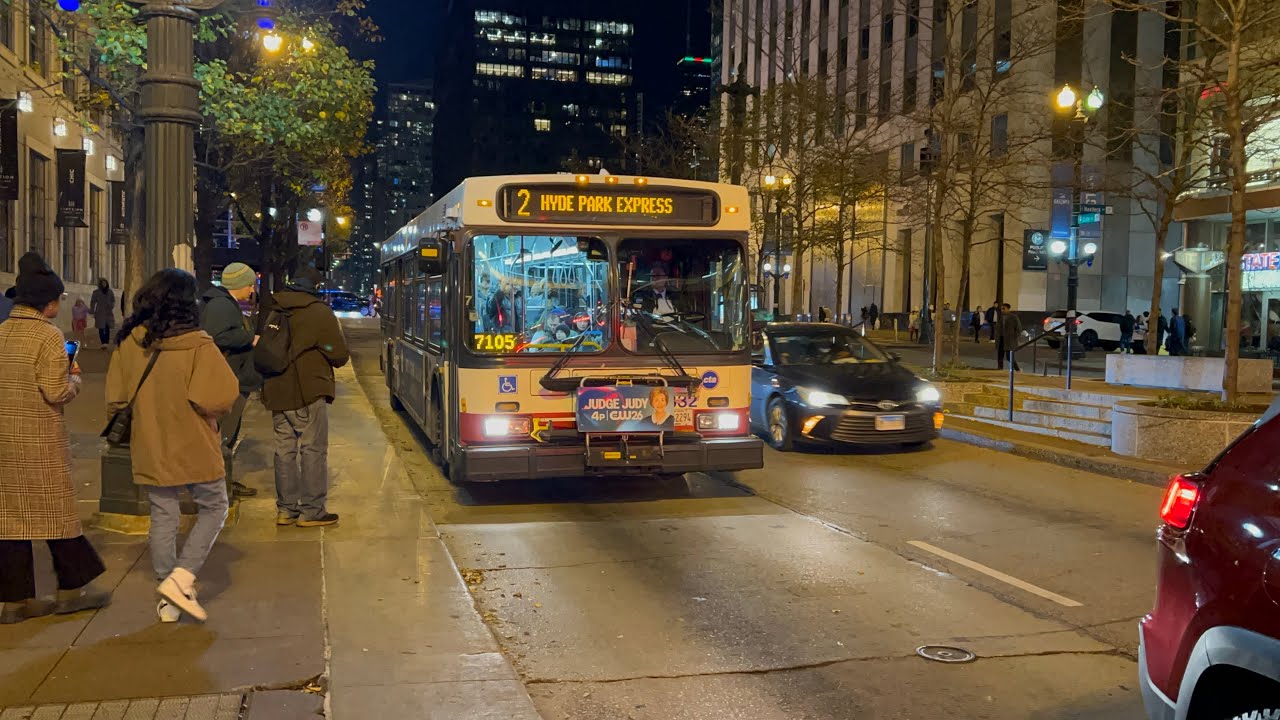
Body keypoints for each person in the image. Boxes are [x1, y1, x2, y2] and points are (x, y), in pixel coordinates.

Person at [108, 269, 238, 623]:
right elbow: (219, 396)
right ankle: (182, 578)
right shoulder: (198, 344)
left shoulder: (129, 343)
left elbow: (116, 399)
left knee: (163, 514)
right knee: (214, 506)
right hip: (193, 441)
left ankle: (167, 596)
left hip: (150, 441)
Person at [0, 253, 110, 624]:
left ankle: (16, 602)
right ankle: (70, 591)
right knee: (57, 517)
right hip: (39, 436)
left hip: (5, 438)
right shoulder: (48, 336)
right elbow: (55, 391)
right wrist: (74, 376)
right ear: (48, 303)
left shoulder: (1, 331)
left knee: (10, 522)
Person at [261, 266, 349, 528]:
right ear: (315, 288)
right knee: (312, 448)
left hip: (276, 389)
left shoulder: (277, 308)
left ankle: (286, 510)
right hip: (307, 389)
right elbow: (338, 353)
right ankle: (312, 511)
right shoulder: (318, 312)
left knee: (284, 450)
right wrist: (326, 348)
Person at [200, 262, 261, 499]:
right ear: (239, 285)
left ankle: (223, 482)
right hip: (228, 379)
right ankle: (217, 487)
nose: (251, 290)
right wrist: (249, 337)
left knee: (226, 433)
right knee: (224, 433)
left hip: (230, 377)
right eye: (249, 285)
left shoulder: (220, 303)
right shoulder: (222, 306)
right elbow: (218, 336)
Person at [89, 278, 116, 348]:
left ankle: (106, 342)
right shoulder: (96, 292)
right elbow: (93, 302)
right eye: (102, 283)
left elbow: (113, 300)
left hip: (108, 312)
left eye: (105, 283)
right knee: (101, 328)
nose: (104, 284)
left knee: (107, 327)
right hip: (100, 312)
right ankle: (103, 342)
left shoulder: (110, 292)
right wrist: (92, 311)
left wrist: (111, 305)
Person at [997, 303, 1023, 371]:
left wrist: (1015, 337)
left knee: (1009, 356)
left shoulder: (1013, 317)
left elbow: (1019, 328)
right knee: (1000, 355)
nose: (1002, 310)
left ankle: (1017, 369)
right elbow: (998, 327)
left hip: (1010, 339)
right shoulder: (1000, 317)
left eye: (1004, 308)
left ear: (1008, 309)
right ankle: (1000, 368)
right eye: (1001, 309)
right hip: (1001, 338)